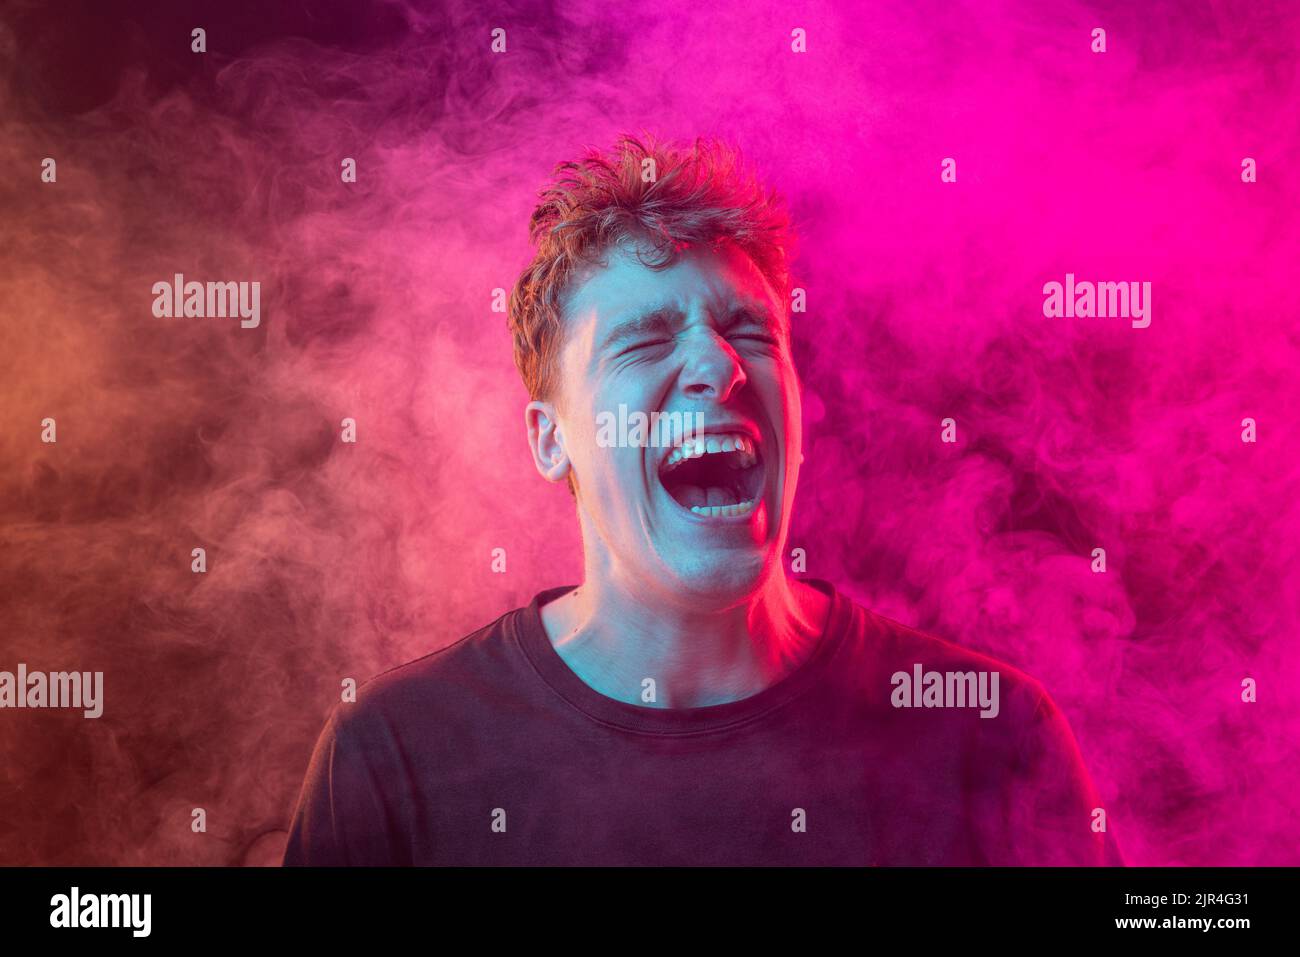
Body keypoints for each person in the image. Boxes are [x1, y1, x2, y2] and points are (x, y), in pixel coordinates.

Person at [283, 133, 1124, 866]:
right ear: (550, 438)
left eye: (751, 333)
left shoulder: (991, 731)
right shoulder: (396, 755)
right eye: (644, 338)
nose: (721, 368)